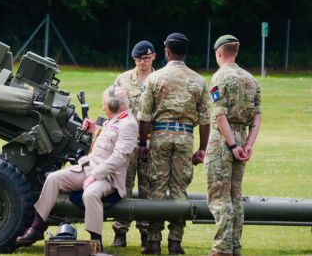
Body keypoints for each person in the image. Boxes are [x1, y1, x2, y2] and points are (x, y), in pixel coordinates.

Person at [16, 85, 138, 251]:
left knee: (90, 193)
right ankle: (36, 228)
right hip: (88, 168)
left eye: (104, 103)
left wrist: (94, 176)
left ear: (114, 105)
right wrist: (94, 129)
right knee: (53, 178)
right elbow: (106, 141)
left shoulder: (128, 124)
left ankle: (96, 246)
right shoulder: (115, 119)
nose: (102, 107)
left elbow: (119, 157)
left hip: (109, 177)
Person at [138, 33, 210, 255]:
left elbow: (144, 116)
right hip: (185, 137)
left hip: (159, 136)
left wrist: (142, 143)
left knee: (156, 189)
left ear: (167, 52)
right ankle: (175, 242)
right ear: (185, 52)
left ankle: (153, 242)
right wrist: (202, 148)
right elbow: (206, 119)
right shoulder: (199, 80)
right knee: (180, 189)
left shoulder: (154, 78)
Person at [206, 35, 262, 256]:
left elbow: (220, 116)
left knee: (219, 197)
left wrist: (230, 145)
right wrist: (247, 144)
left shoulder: (219, 77)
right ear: (235, 52)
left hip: (222, 141)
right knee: (235, 197)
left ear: (219, 53)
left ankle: (221, 249)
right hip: (241, 138)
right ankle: (235, 246)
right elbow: (257, 117)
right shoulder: (251, 80)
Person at [111, 40, 156, 250]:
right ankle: (120, 231)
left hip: (151, 142)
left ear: (154, 57)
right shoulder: (123, 80)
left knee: (147, 187)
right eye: (139, 59)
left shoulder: (159, 79)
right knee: (123, 186)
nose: (142, 62)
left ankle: (146, 233)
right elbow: (112, 108)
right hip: (127, 142)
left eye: (146, 58)